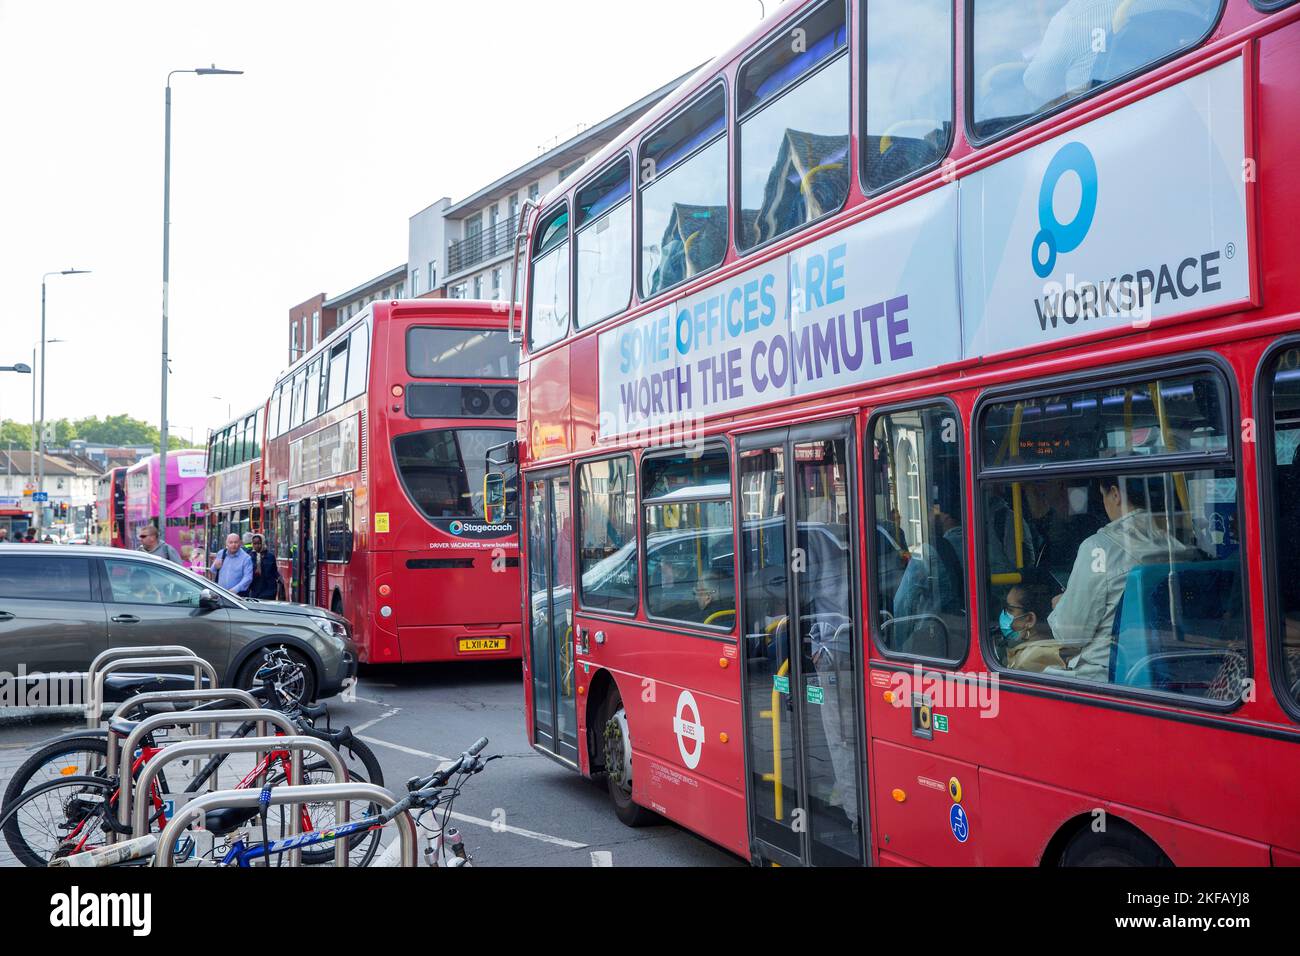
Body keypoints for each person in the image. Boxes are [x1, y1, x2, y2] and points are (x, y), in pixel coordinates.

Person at [1046, 475, 1198, 681]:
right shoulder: (1183, 550)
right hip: (1171, 668)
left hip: (1107, 674)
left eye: (1103, 495)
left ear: (1116, 494)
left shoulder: (1098, 548)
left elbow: (1071, 635)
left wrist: (1061, 605)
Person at [211, 532, 253, 597]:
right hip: (221, 593)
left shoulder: (246, 558)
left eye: (236, 542)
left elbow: (248, 578)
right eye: (231, 542)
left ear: (240, 543)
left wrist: (235, 590)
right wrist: (215, 567)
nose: (233, 545)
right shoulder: (221, 553)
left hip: (238, 595)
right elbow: (212, 570)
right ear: (226, 543)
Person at [246, 533, 281, 601]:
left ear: (263, 543)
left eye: (259, 543)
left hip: (269, 590)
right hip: (255, 589)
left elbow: (274, 572)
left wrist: (280, 579)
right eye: (254, 543)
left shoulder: (270, 556)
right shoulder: (249, 556)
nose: (257, 546)